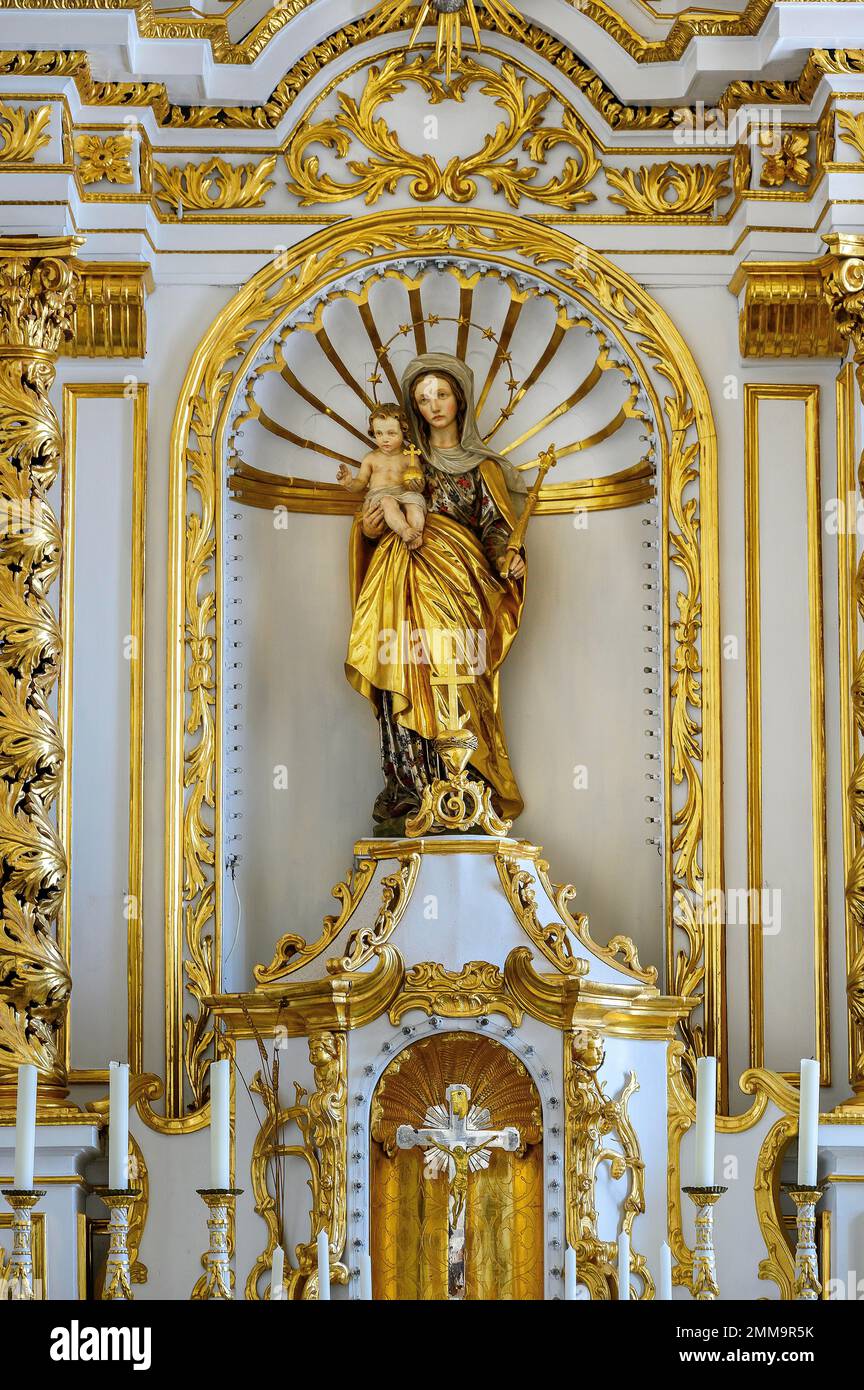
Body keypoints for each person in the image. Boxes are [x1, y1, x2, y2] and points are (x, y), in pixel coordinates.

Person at [345, 351, 529, 834]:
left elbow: (492, 526)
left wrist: (507, 558)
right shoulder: (401, 459)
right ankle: (410, 787)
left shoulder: (482, 467)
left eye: (442, 394)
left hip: (459, 586)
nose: (434, 405)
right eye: (423, 398)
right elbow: (372, 513)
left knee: (456, 674)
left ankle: (464, 782)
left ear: (460, 398)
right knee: (400, 668)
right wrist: (365, 531)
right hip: (398, 579)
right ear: (412, 407)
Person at [336, 403, 426, 550]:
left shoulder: (410, 456)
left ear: (403, 431)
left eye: (391, 433)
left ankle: (417, 534)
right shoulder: (371, 458)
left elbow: (418, 481)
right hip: (380, 496)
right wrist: (349, 483)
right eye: (379, 433)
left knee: (415, 504)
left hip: (405, 493)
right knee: (387, 501)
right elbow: (361, 482)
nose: (385, 439)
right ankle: (404, 530)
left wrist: (418, 485)